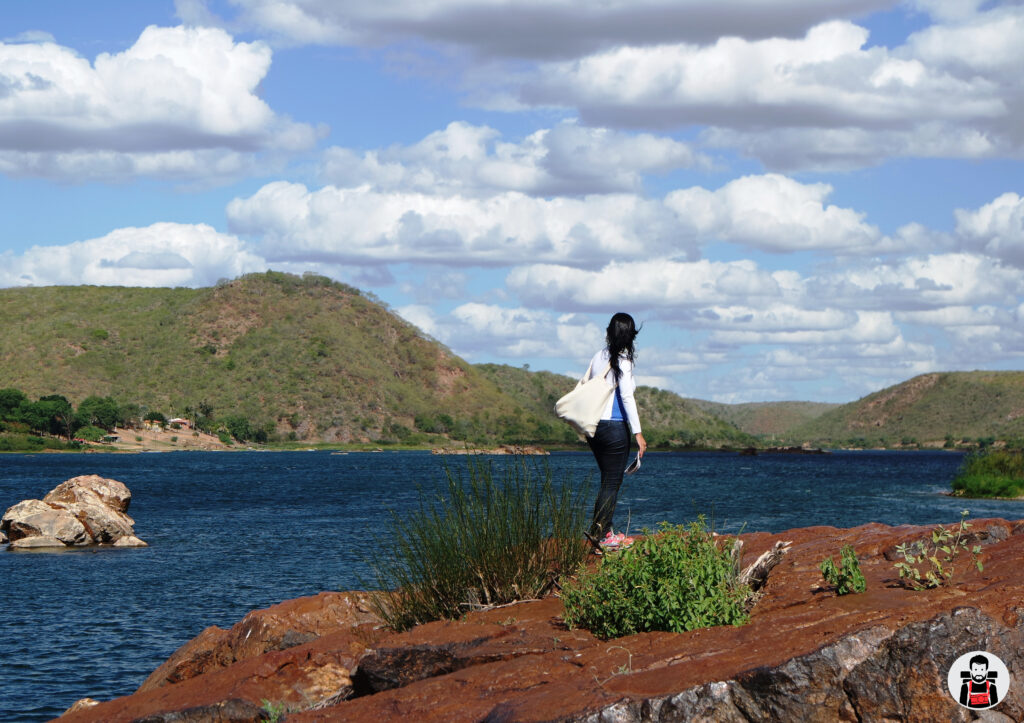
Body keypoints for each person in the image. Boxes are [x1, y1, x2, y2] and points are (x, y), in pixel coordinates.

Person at [581, 312, 647, 542]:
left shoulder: (598, 356)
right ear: (630, 336)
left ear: (609, 331)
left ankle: (604, 530)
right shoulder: (624, 362)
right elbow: (627, 397)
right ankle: (602, 535)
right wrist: (638, 433)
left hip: (594, 428)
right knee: (611, 483)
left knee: (607, 481)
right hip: (614, 427)